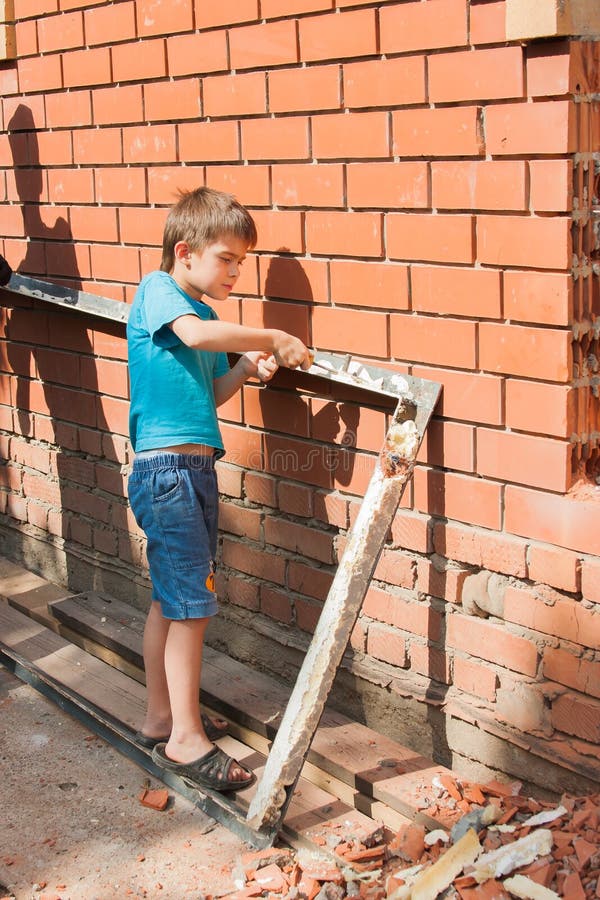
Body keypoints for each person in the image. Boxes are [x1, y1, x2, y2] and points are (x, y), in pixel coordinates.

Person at [127, 187, 310, 792]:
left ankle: (161, 716)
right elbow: (201, 338)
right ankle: (186, 739)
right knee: (193, 606)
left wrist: (243, 370)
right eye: (227, 259)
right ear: (185, 252)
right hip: (168, 474)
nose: (235, 272)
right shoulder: (161, 292)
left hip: (190, 471)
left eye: (242, 263)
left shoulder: (204, 319)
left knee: (170, 600)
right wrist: (268, 338)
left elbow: (210, 391)